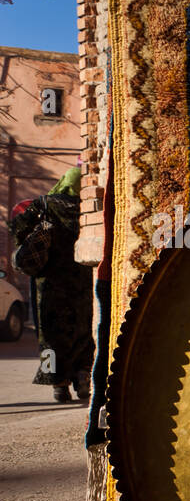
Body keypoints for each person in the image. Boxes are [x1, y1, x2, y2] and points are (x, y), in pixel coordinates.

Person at [7, 168, 92, 402]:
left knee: (49, 335)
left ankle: (57, 385)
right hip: (82, 283)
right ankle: (83, 378)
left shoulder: (45, 204)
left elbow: (17, 229)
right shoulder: (89, 208)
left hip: (49, 285)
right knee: (82, 333)